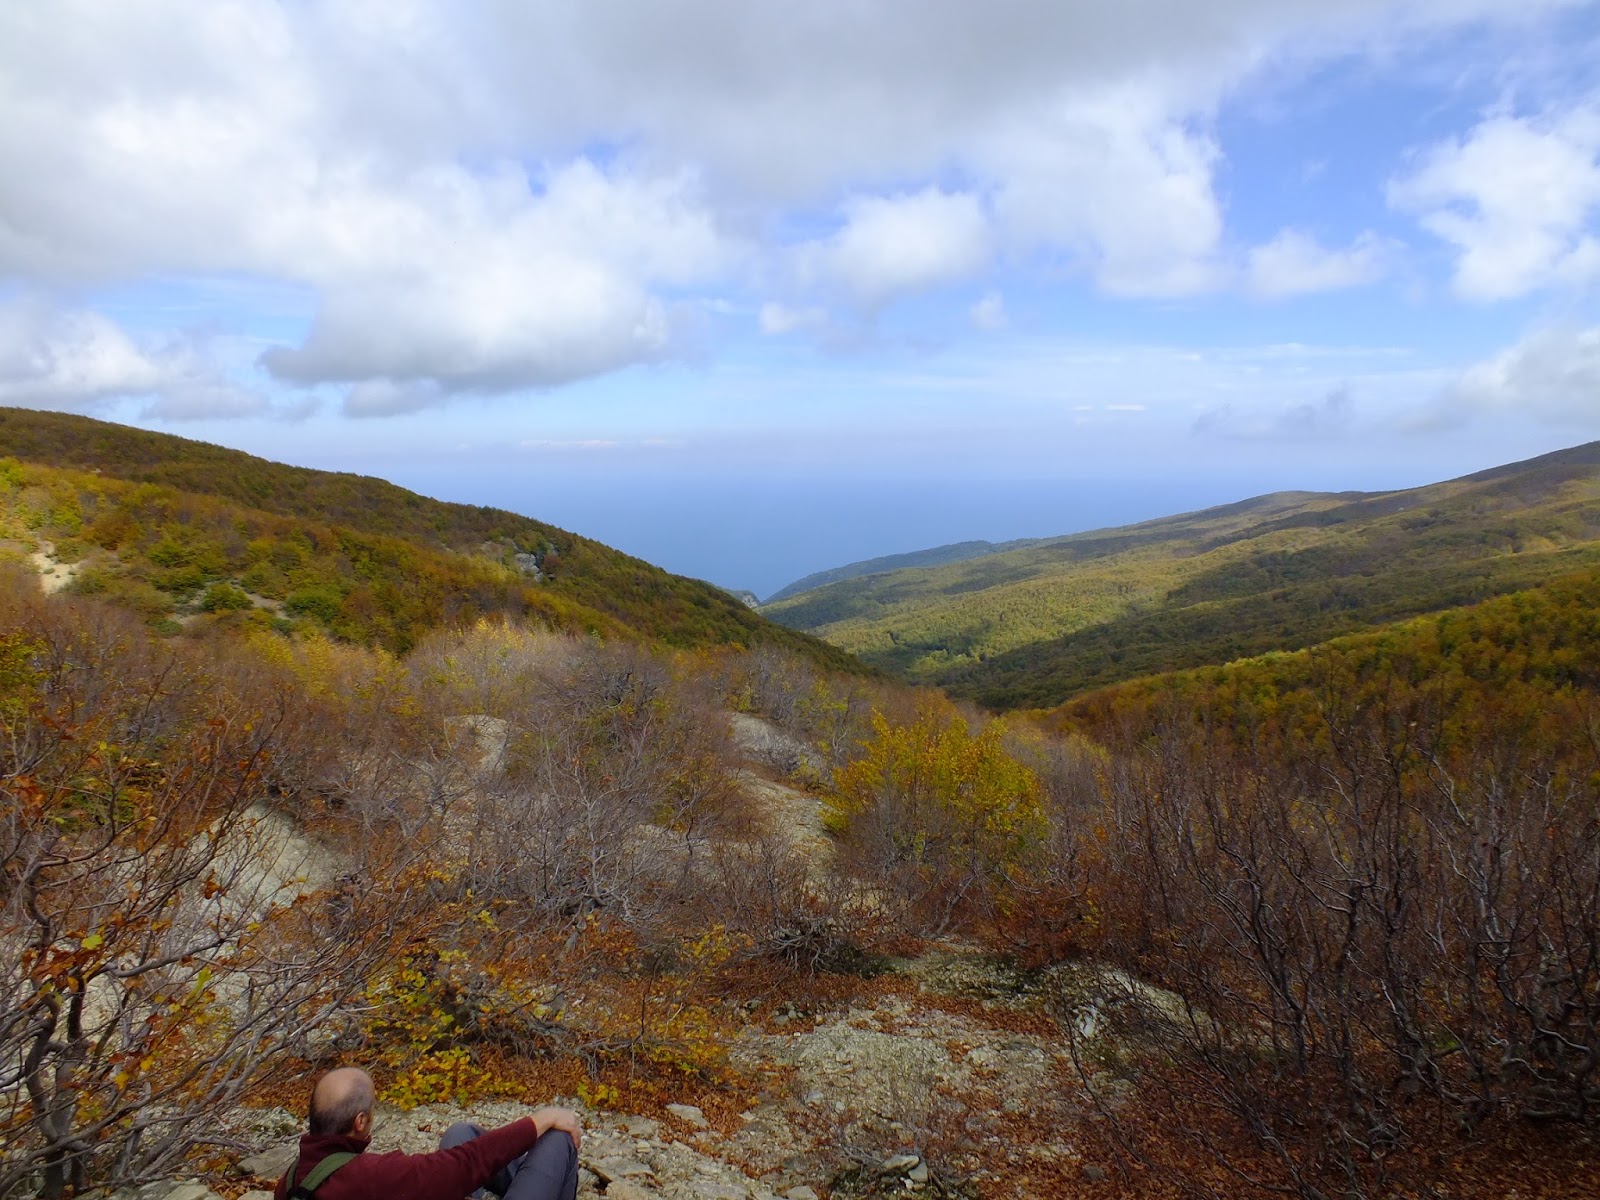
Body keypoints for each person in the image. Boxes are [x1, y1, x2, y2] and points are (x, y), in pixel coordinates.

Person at [273, 1067, 581, 1200]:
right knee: (557, 1139)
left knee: (460, 1132)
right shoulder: (369, 1176)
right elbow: (466, 1164)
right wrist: (539, 1119)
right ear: (360, 1121)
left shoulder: (289, 1183)